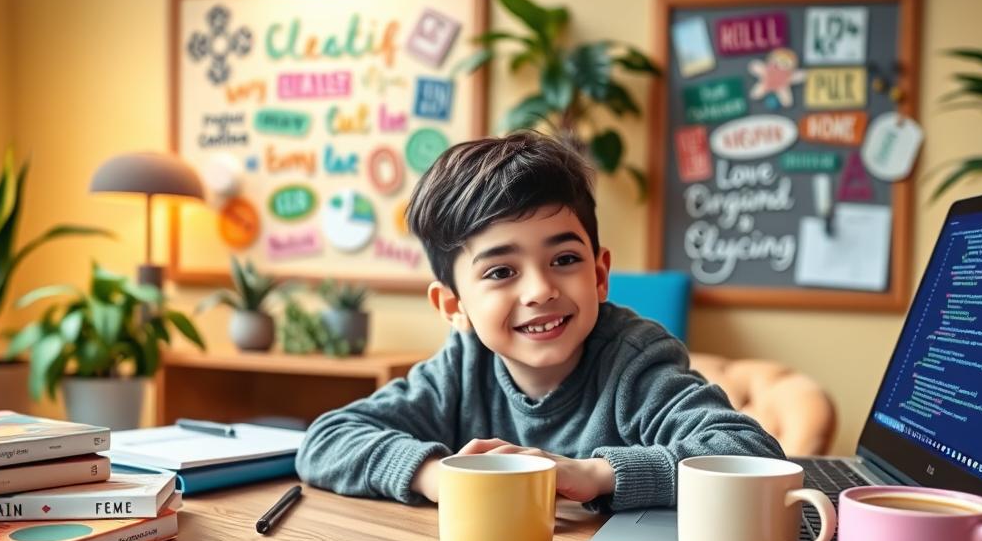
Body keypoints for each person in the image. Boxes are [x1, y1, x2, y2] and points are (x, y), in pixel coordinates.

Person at [296, 131, 784, 511]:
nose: (540, 290)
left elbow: (751, 452)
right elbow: (326, 440)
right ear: (453, 306)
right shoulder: (461, 367)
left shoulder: (634, 361)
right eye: (501, 271)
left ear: (599, 275)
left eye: (565, 260)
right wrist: (436, 476)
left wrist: (594, 475)